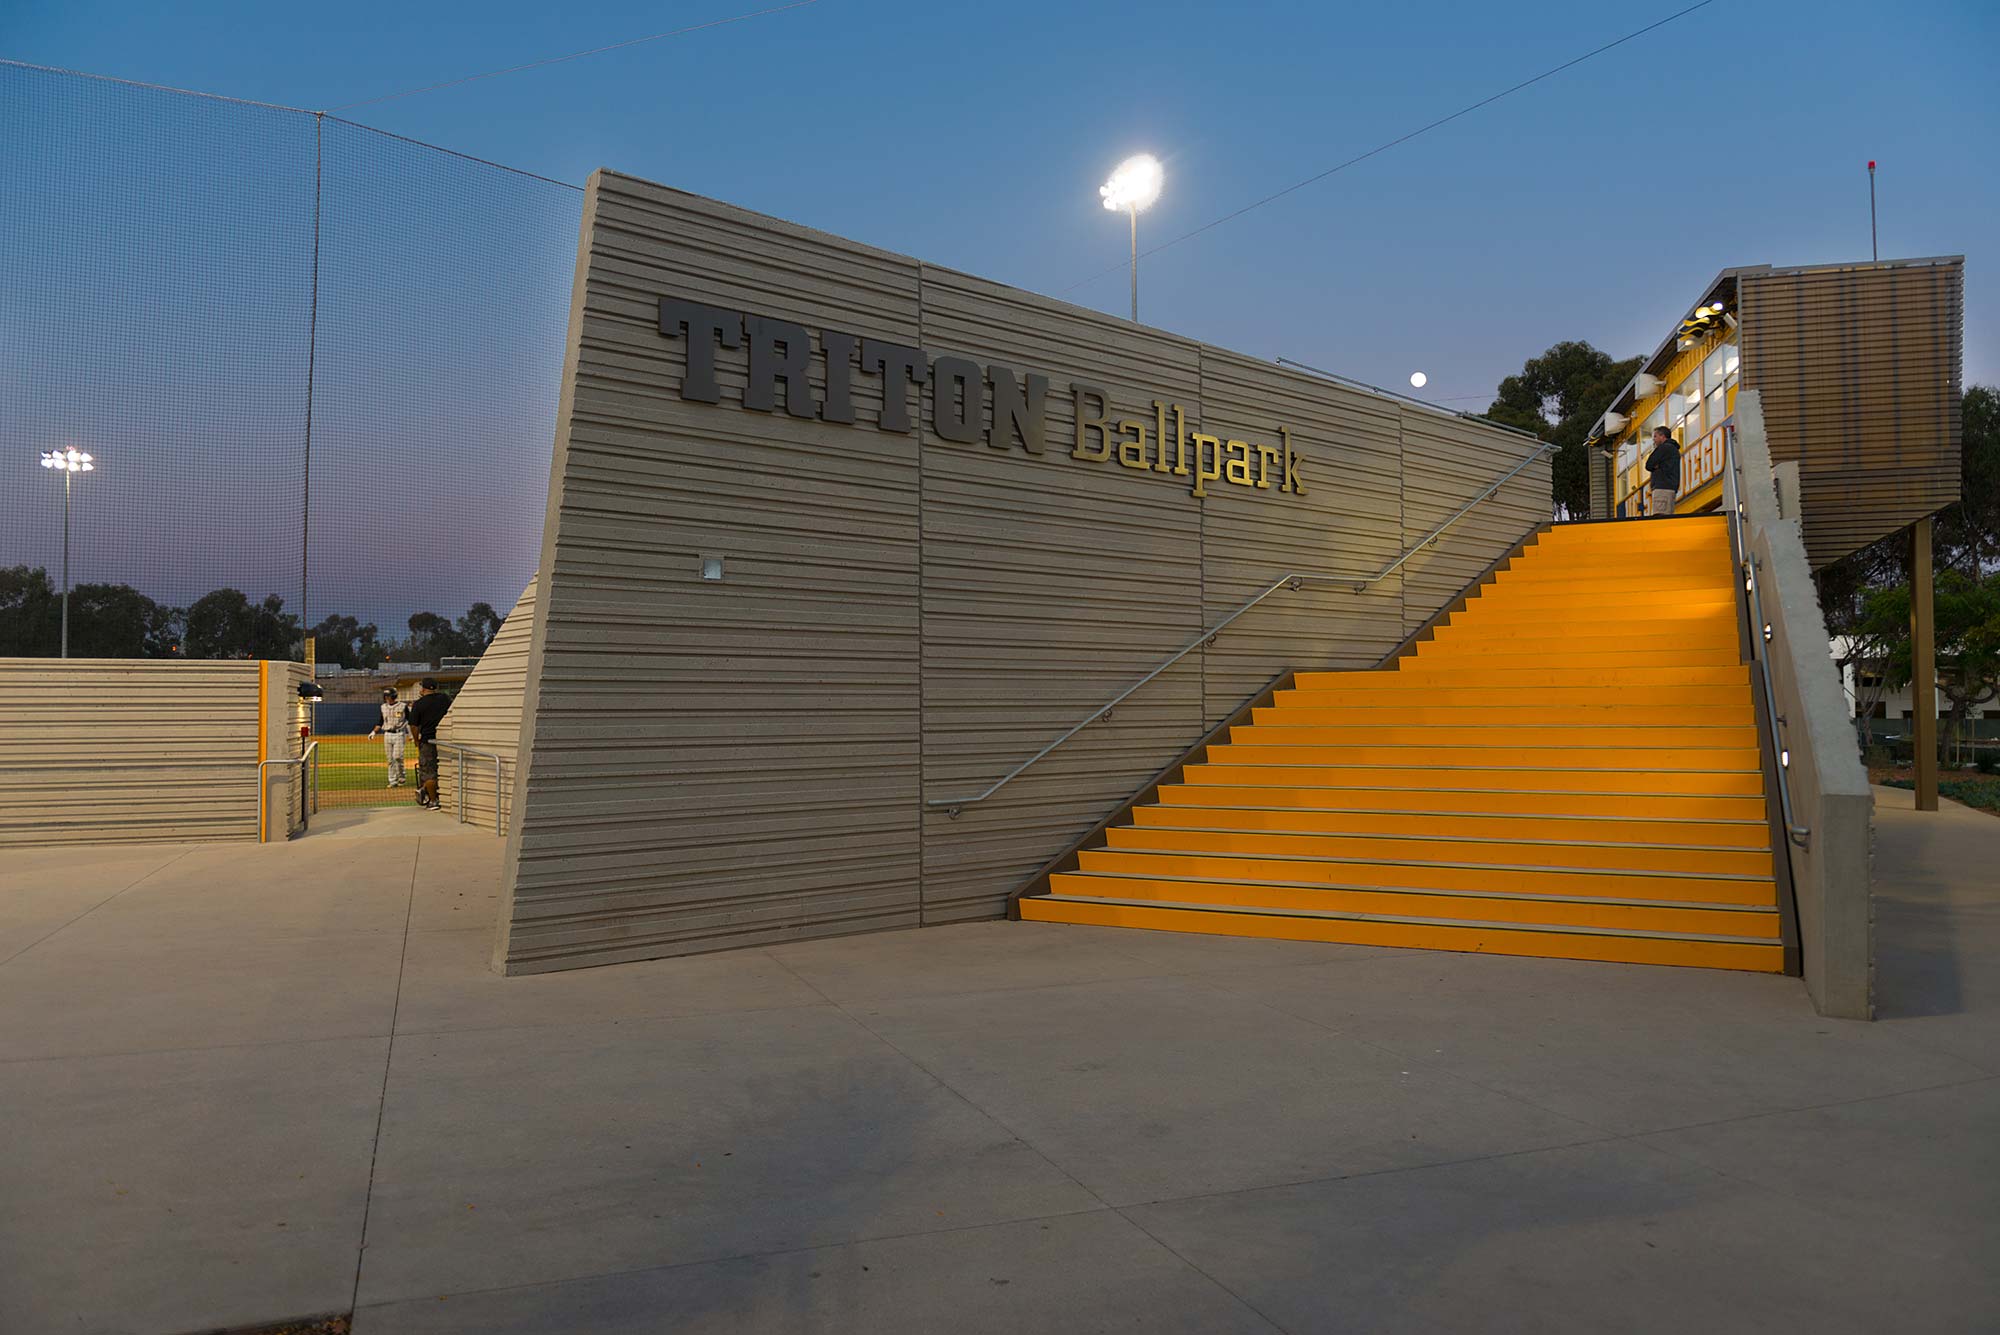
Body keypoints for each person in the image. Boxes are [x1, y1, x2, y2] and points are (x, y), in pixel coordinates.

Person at [403, 677, 453, 811]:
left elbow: (414, 726)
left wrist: (416, 740)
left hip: (428, 741)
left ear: (423, 689)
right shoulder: (445, 699)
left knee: (428, 772)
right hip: (446, 740)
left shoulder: (419, 704)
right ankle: (446, 797)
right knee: (445, 769)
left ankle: (433, 800)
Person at [367, 687, 408, 787]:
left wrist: (411, 735)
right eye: (385, 696)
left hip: (399, 734)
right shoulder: (383, 707)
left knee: (398, 757)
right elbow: (380, 722)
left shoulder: (402, 706)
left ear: (393, 696)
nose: (386, 698)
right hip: (387, 734)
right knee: (390, 759)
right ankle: (392, 781)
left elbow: (410, 720)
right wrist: (374, 732)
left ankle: (401, 777)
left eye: (388, 696)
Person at [1642, 426, 1682, 518]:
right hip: (1670, 487)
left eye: (1655, 436)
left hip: (1662, 487)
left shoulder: (1663, 448)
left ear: (1662, 436)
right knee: (1668, 516)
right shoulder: (1674, 450)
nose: (1654, 440)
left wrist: (1657, 466)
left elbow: (1649, 464)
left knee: (1660, 516)